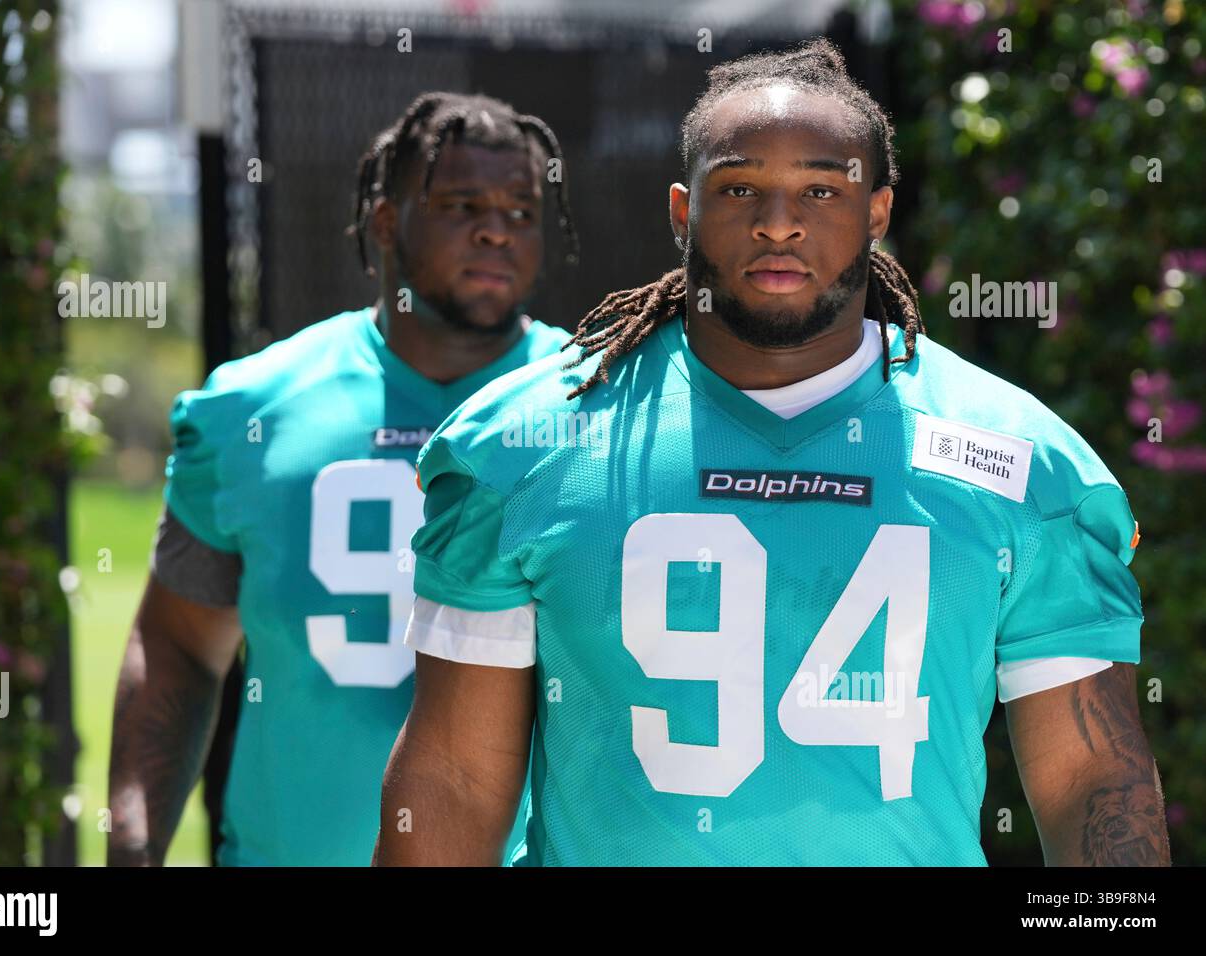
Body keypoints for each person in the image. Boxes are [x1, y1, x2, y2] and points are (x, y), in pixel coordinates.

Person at [375, 41, 1170, 866]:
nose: (779, 222)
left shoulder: (1022, 463)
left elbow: (1091, 778)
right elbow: (455, 776)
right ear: (683, 211)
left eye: (822, 188)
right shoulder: (524, 447)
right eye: (741, 186)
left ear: (877, 212)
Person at [108, 91, 577, 865]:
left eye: (523, 211)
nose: (498, 230)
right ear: (386, 222)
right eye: (463, 204)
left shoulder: (600, 408)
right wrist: (132, 839)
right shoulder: (252, 407)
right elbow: (179, 643)